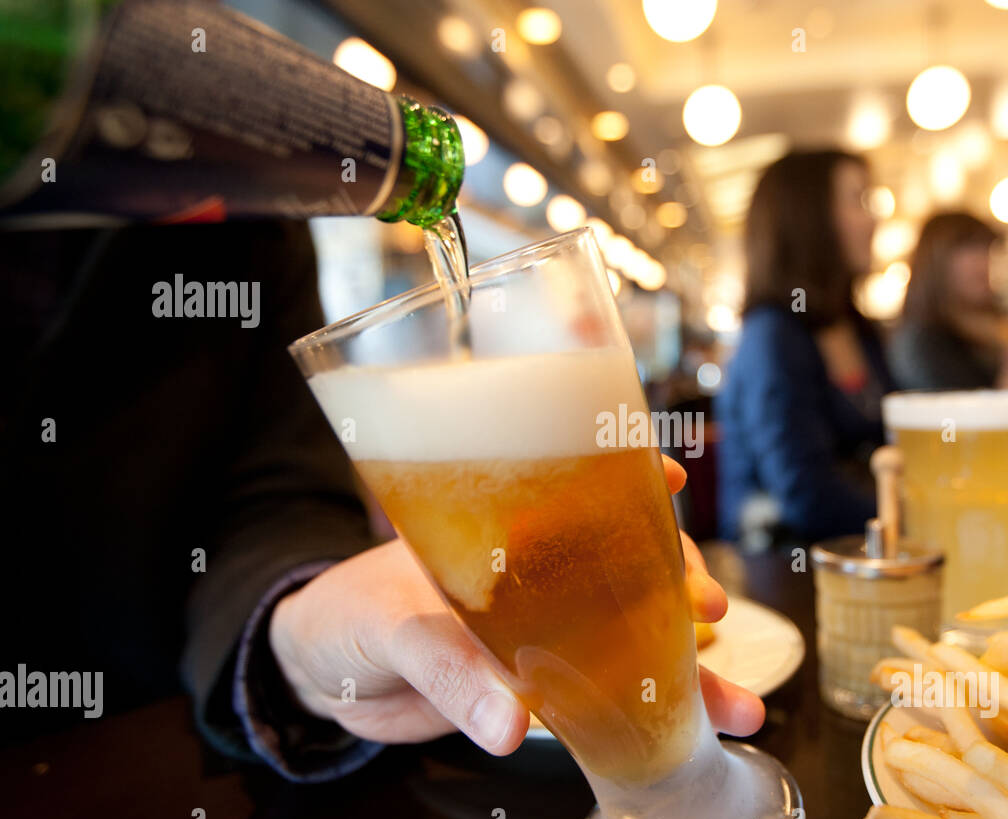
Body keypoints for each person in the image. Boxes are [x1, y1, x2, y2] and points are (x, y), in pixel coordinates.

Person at [0, 220, 762, 781]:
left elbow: (278, 492)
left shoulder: (233, 204)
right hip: (110, 751)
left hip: (175, 753)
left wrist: (290, 627)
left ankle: (674, 781)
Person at [717, 149, 895, 548]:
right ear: (809, 219)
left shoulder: (856, 327)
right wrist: (910, 516)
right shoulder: (773, 333)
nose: (874, 219)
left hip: (862, 553)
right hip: (784, 567)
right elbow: (807, 498)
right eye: (858, 200)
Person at [888, 212, 1008, 391]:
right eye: (968, 250)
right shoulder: (921, 341)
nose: (982, 262)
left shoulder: (995, 326)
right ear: (936, 261)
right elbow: (971, 408)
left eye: (986, 250)